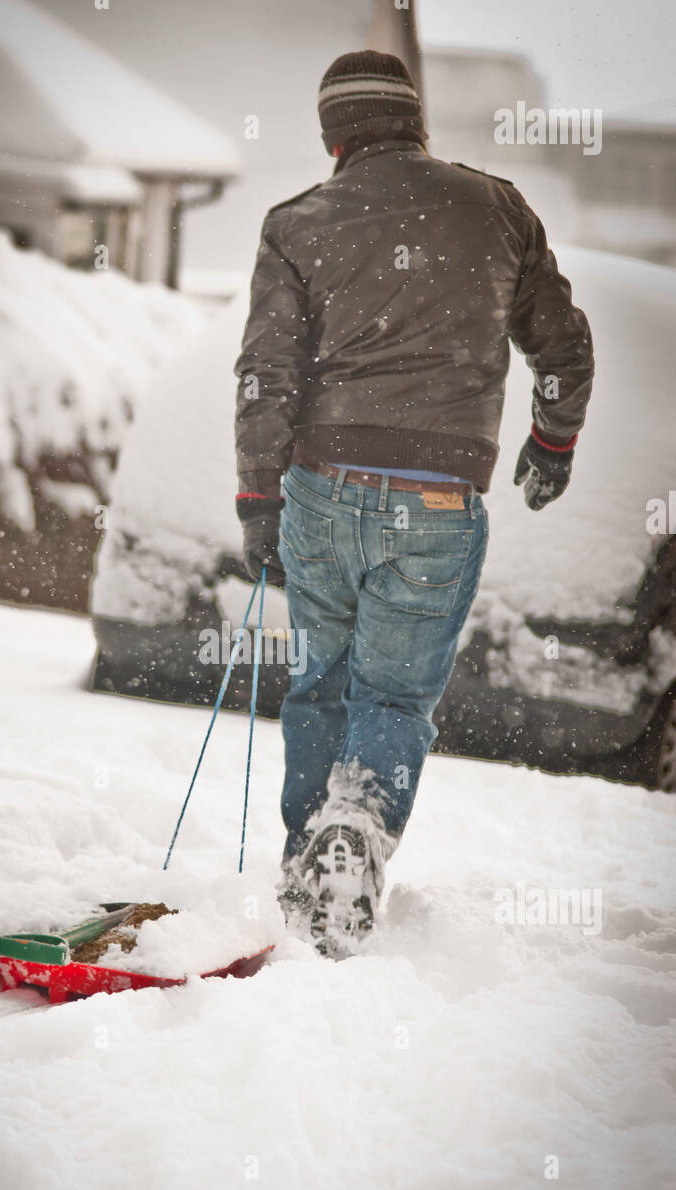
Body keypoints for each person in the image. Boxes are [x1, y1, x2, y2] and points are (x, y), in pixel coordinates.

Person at [233, 51, 594, 957]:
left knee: (320, 683)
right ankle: (353, 834)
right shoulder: (496, 207)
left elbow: (265, 376)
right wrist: (552, 442)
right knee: (392, 697)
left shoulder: (297, 223)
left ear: (333, 138)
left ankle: (305, 857)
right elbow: (564, 347)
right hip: (439, 497)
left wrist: (257, 498)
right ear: (417, 121)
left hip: (323, 487)